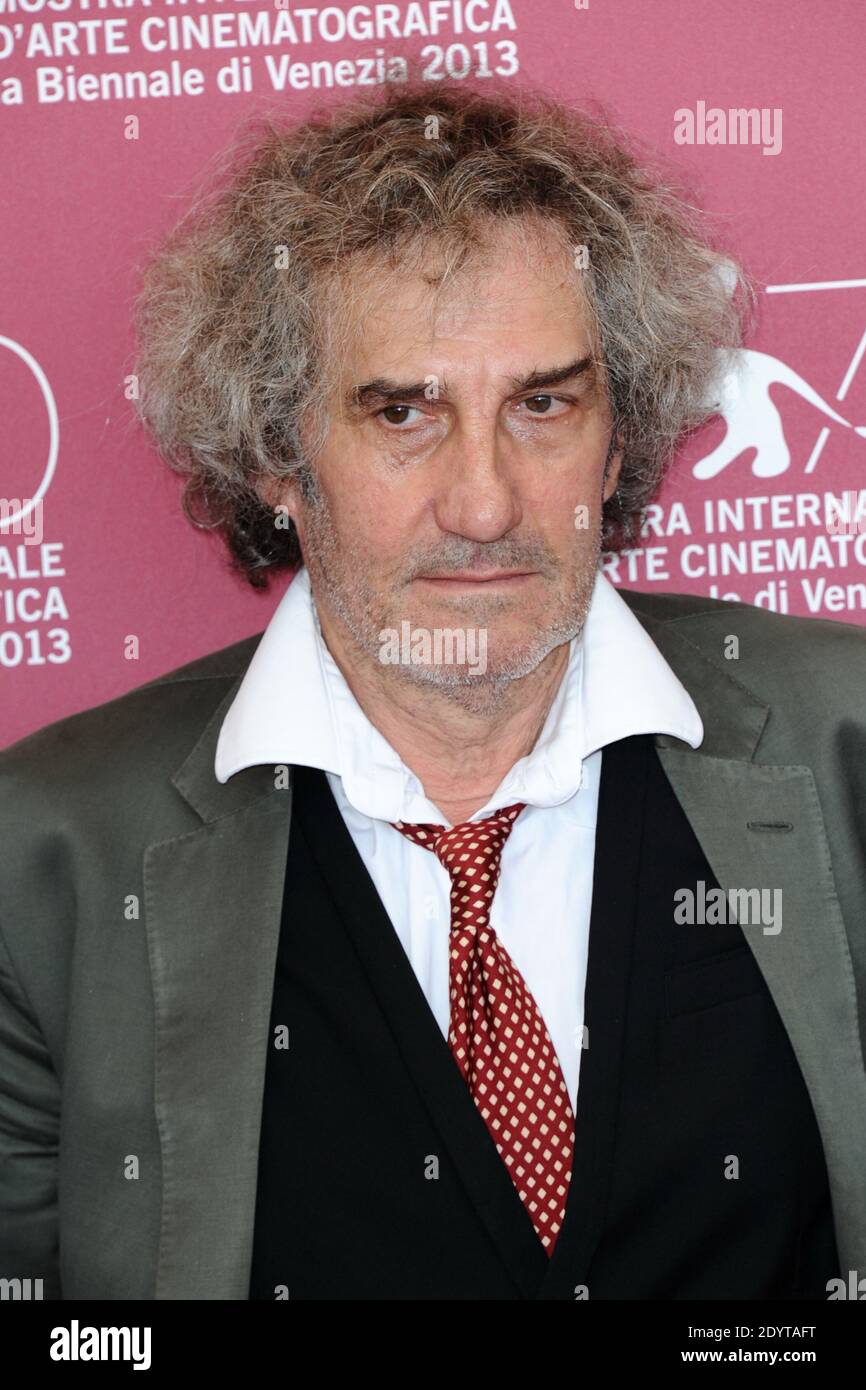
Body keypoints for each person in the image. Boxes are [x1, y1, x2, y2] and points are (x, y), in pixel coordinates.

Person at [1, 80, 865, 1302]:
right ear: (275, 456)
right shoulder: (47, 860)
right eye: (403, 412)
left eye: (543, 403)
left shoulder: (846, 755)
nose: (484, 503)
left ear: (619, 436)